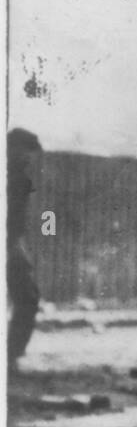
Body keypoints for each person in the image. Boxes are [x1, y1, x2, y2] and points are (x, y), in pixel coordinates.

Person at [7, 128, 42, 370]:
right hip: (8, 245)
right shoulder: (13, 178)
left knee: (28, 298)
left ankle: (10, 355)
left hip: (11, 244)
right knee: (27, 298)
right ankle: (9, 355)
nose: (28, 159)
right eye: (25, 153)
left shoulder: (20, 178)